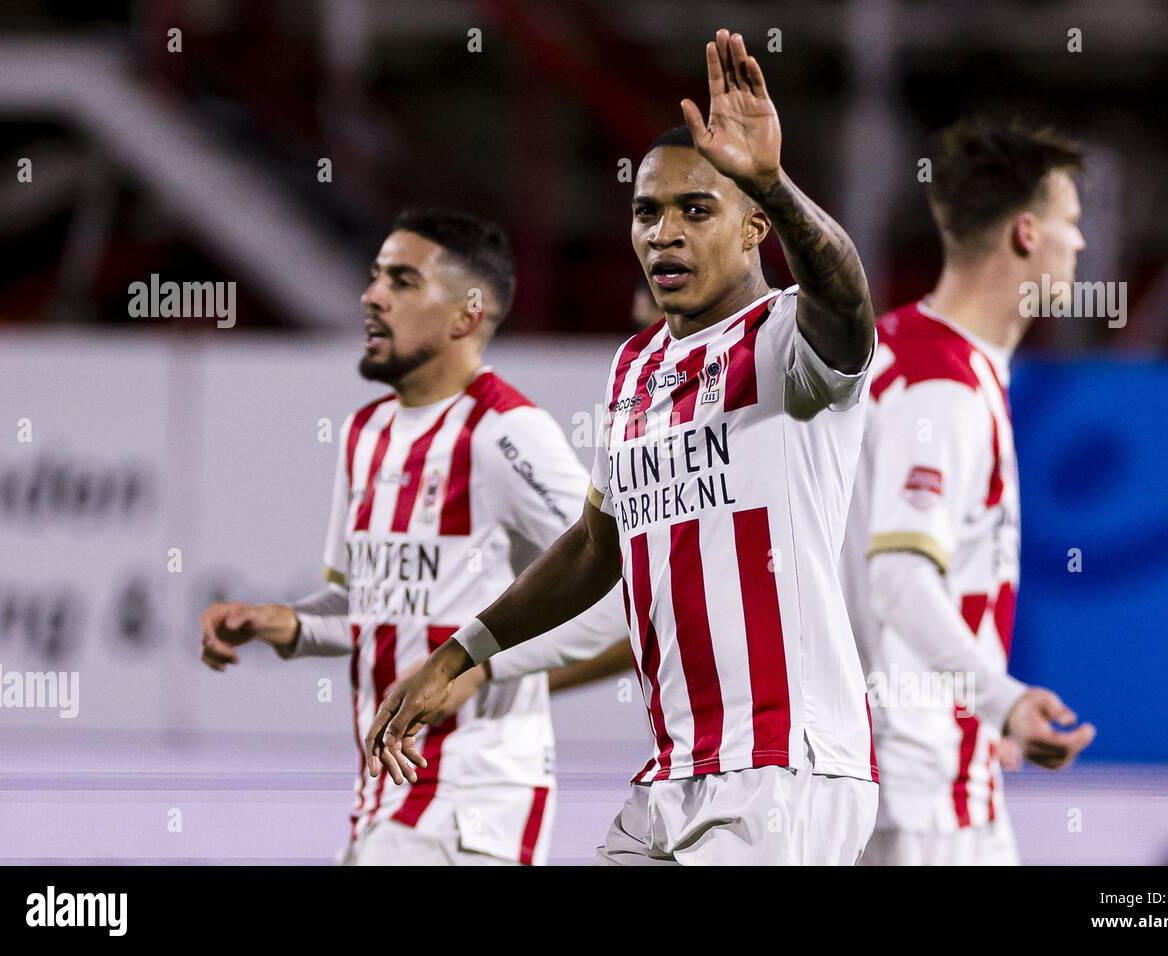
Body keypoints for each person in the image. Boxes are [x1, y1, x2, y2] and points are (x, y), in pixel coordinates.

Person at [364, 29, 881, 866]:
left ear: (754, 228)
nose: (663, 233)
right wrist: (462, 653)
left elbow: (849, 304)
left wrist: (776, 184)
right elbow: (595, 546)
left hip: (786, 769)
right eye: (647, 212)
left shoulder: (787, 342)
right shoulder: (637, 366)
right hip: (671, 774)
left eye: (696, 210)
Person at [199, 207, 629, 866]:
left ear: (467, 315)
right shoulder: (364, 433)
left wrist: (482, 663)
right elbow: (365, 610)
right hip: (387, 794)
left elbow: (618, 587)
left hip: (472, 799)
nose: (372, 296)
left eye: (401, 282)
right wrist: (280, 621)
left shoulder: (506, 433)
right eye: (375, 278)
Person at [847, 119, 1097, 866]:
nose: (1081, 245)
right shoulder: (942, 390)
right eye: (1071, 223)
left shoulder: (893, 346)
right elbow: (897, 578)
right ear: (1026, 234)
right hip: (921, 785)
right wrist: (1004, 701)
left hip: (902, 759)